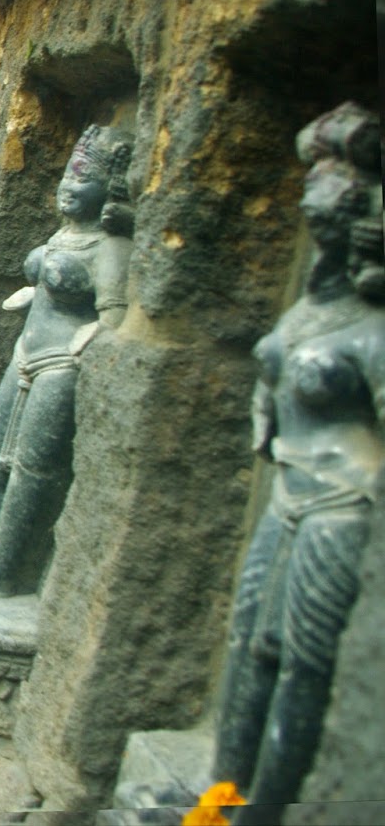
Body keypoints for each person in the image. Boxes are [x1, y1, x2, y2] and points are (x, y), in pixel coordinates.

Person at [210, 103, 383, 822]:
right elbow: (272, 380)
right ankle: (220, 791)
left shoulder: (372, 329)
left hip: (339, 509)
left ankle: (265, 809)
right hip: (285, 494)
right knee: (250, 640)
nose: (318, 231)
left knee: (305, 664)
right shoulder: (309, 309)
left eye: (330, 219)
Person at [0, 124, 134, 599]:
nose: (67, 187)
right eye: (66, 176)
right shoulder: (64, 236)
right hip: (25, 349)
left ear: (108, 190)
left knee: (30, 472)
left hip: (60, 365)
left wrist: (91, 339)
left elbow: (114, 318)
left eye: (82, 179)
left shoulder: (111, 247)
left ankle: (1, 576)